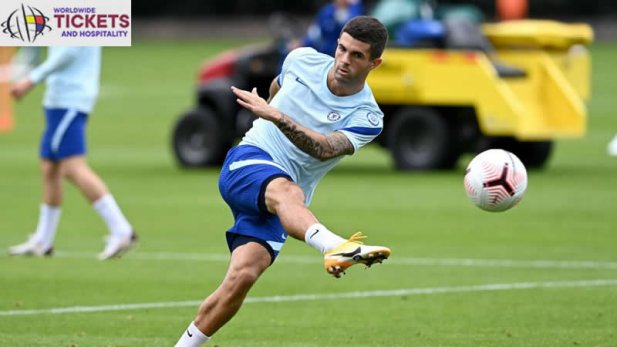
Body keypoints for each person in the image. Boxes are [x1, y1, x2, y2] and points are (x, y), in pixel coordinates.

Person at [174, 16, 390, 346]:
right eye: (342, 49)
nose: (344, 60)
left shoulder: (368, 117)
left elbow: (323, 148)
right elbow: (277, 88)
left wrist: (276, 115)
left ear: (375, 62)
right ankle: (335, 247)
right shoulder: (301, 60)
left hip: (283, 205)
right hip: (249, 162)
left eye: (357, 55)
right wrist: (271, 111)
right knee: (288, 190)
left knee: (242, 276)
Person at [8, 47, 137, 260]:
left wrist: (31, 79)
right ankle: (43, 240)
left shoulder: (79, 14)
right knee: (49, 166)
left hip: (71, 97)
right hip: (59, 98)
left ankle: (122, 230)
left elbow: (70, 51)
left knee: (72, 167)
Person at [296, 0, 364, 57]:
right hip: (322, 50)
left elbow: (352, 29)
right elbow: (315, 33)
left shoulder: (354, 11)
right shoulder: (327, 11)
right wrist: (303, 42)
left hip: (341, 52)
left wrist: (355, 5)